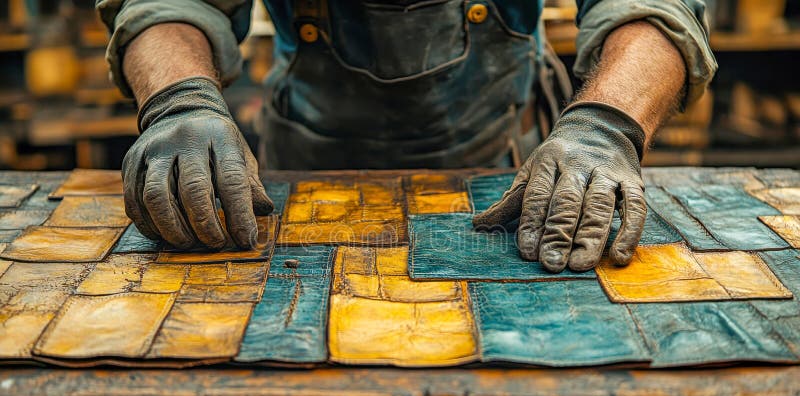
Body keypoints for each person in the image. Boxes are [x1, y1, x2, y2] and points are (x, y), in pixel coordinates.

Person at [96, 0, 716, 272]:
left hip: (501, 166)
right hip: (299, 172)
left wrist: (604, 126)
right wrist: (180, 100)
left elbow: (652, 2)